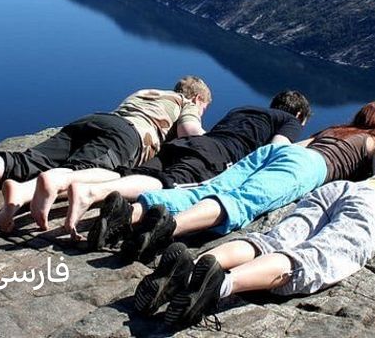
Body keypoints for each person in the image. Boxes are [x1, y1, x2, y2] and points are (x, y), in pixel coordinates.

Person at [140, 126, 375, 329]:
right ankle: (221, 285)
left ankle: (191, 268)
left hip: (346, 190)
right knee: (310, 261)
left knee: (270, 239)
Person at [102, 101, 375, 264]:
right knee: (242, 201)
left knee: (211, 188)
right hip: (311, 167)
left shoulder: (338, 131)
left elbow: (296, 147)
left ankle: (129, 215)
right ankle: (167, 228)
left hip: (276, 152)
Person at [0, 76, 212, 223]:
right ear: (198, 98)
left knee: (27, 159)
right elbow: (191, 132)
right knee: (85, 173)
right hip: (128, 136)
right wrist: (207, 138)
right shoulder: (186, 104)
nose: (203, 110)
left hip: (96, 120)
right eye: (205, 106)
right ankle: (21, 194)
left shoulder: (148, 91)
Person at [47, 90, 312, 239]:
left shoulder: (244, 109)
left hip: (192, 144)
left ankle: (73, 184)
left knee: (139, 173)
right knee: (166, 183)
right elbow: (275, 150)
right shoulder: (287, 121)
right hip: (217, 156)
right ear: (299, 115)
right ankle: (92, 193)